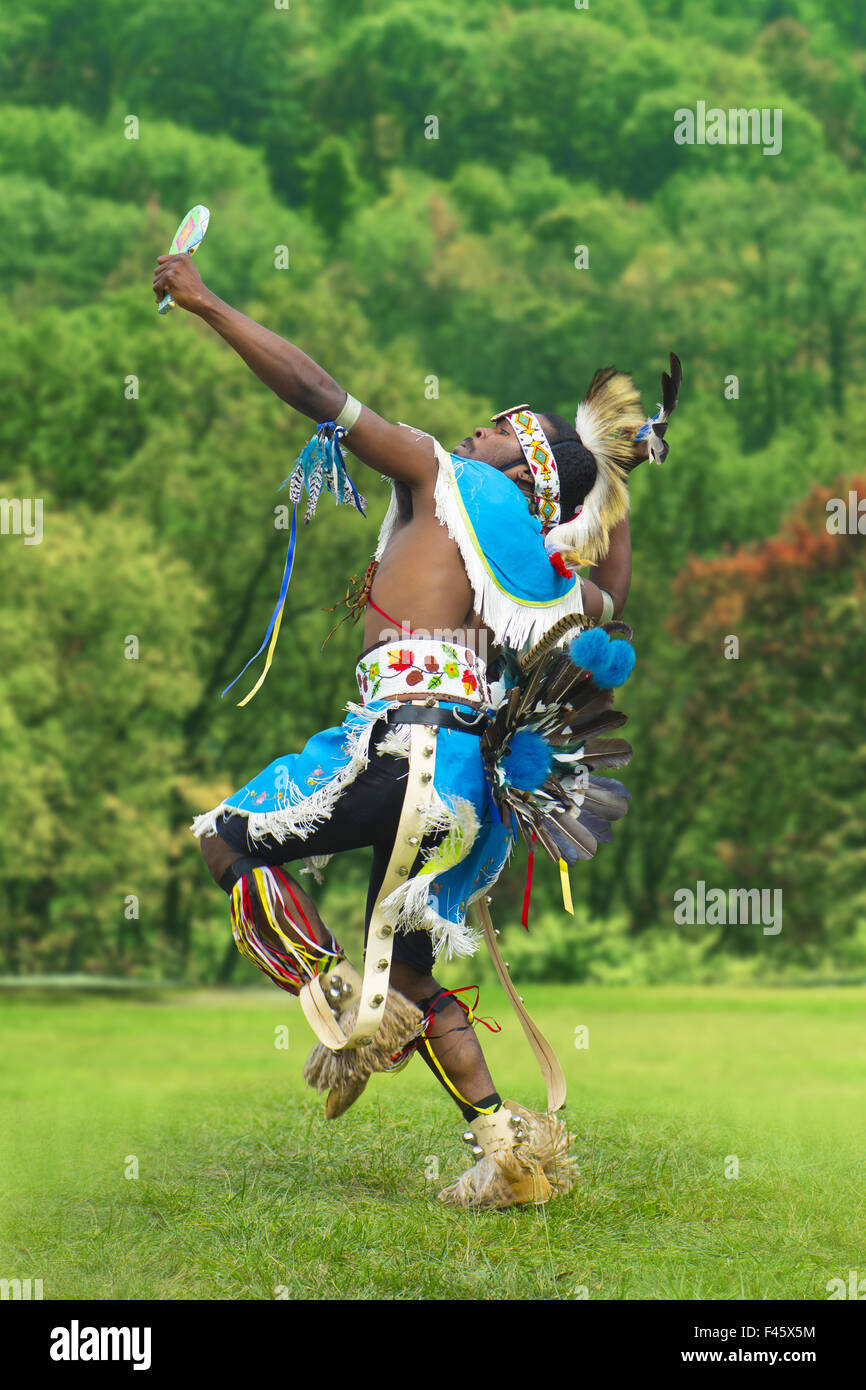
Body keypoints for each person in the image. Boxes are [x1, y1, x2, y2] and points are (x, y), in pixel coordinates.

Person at [152, 249, 680, 1210]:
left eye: (500, 426)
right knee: (420, 965)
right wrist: (619, 492)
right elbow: (612, 602)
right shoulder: (537, 569)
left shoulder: (439, 476)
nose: (475, 427)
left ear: (523, 462)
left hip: (404, 749)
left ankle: (345, 1006)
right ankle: (507, 1149)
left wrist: (206, 303)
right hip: (470, 792)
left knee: (228, 838)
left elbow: (320, 394)